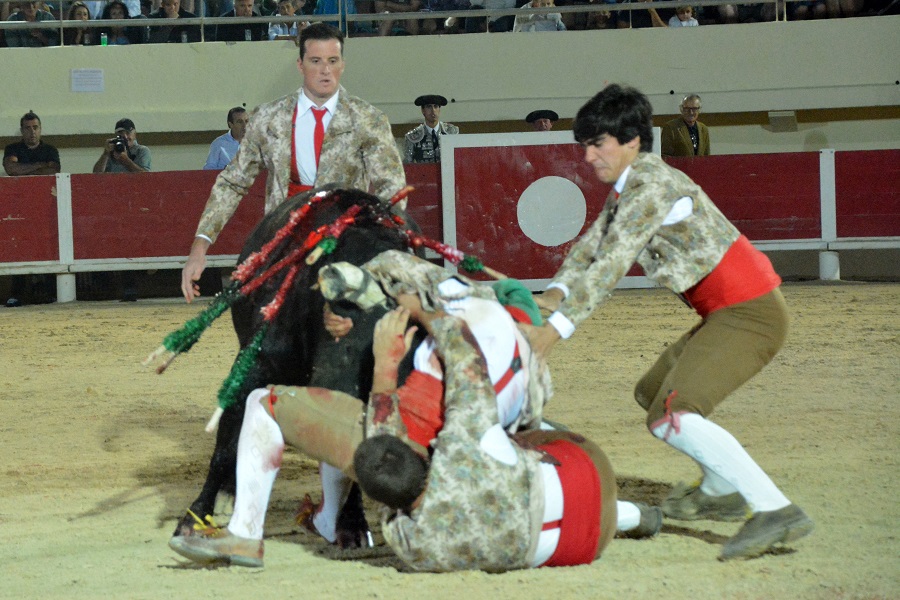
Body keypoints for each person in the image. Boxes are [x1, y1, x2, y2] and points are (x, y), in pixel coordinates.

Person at [168, 252, 661, 568]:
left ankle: (246, 534)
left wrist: (388, 352)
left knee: (268, 403)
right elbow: (487, 390)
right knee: (528, 453)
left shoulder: (411, 539)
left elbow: (389, 438)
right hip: (584, 495)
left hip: (580, 504)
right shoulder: (522, 370)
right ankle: (636, 517)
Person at [526, 84, 814, 561]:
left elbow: (610, 266)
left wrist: (552, 333)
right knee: (651, 393)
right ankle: (722, 489)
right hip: (727, 311)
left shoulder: (651, 186)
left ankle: (774, 509)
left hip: (749, 313)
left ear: (633, 140)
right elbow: (591, 248)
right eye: (586, 145)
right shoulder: (632, 185)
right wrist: (551, 297)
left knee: (671, 415)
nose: (589, 155)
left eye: (599, 144)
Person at [181, 23, 406, 303]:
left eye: (332, 61)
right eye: (316, 61)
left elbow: (392, 188)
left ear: (342, 65)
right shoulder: (268, 118)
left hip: (345, 246)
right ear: (300, 65)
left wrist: (376, 241)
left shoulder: (368, 120)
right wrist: (200, 246)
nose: (325, 70)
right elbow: (232, 182)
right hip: (284, 244)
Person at [3, 111, 61, 308]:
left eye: (35, 127)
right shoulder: (12, 148)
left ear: (40, 129)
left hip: (45, 208)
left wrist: (25, 167)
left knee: (48, 248)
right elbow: (11, 170)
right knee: (20, 249)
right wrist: (40, 166)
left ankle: (50, 292)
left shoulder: (51, 150)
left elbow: (53, 170)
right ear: (22, 130)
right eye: (28, 128)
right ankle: (17, 293)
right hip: (19, 209)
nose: (32, 132)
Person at [92, 118, 151, 302]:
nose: (124, 136)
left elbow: (146, 177)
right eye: (120, 133)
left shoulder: (142, 151)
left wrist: (125, 160)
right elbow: (95, 176)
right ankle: (105, 288)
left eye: (127, 132)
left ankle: (130, 287)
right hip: (112, 206)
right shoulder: (111, 154)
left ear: (134, 133)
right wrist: (105, 153)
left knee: (130, 245)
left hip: (136, 206)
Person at [403, 95, 458, 164]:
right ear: (423, 110)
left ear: (439, 109)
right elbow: (408, 165)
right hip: (423, 174)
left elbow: (458, 160)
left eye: (436, 106)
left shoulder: (451, 132)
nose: (433, 111)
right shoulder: (412, 137)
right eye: (429, 107)